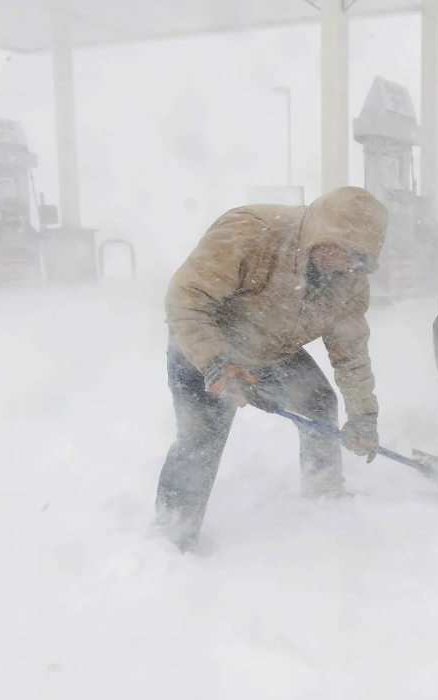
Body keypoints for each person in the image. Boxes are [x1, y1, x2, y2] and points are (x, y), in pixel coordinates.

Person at [156, 186, 389, 551]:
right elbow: (186, 298)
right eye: (338, 247)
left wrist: (363, 415)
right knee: (201, 437)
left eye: (356, 257)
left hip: (269, 349)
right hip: (203, 343)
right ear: (317, 231)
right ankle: (174, 538)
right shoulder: (251, 230)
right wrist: (216, 364)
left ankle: (323, 493)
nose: (343, 262)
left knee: (318, 401)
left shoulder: (350, 282)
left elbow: (351, 352)